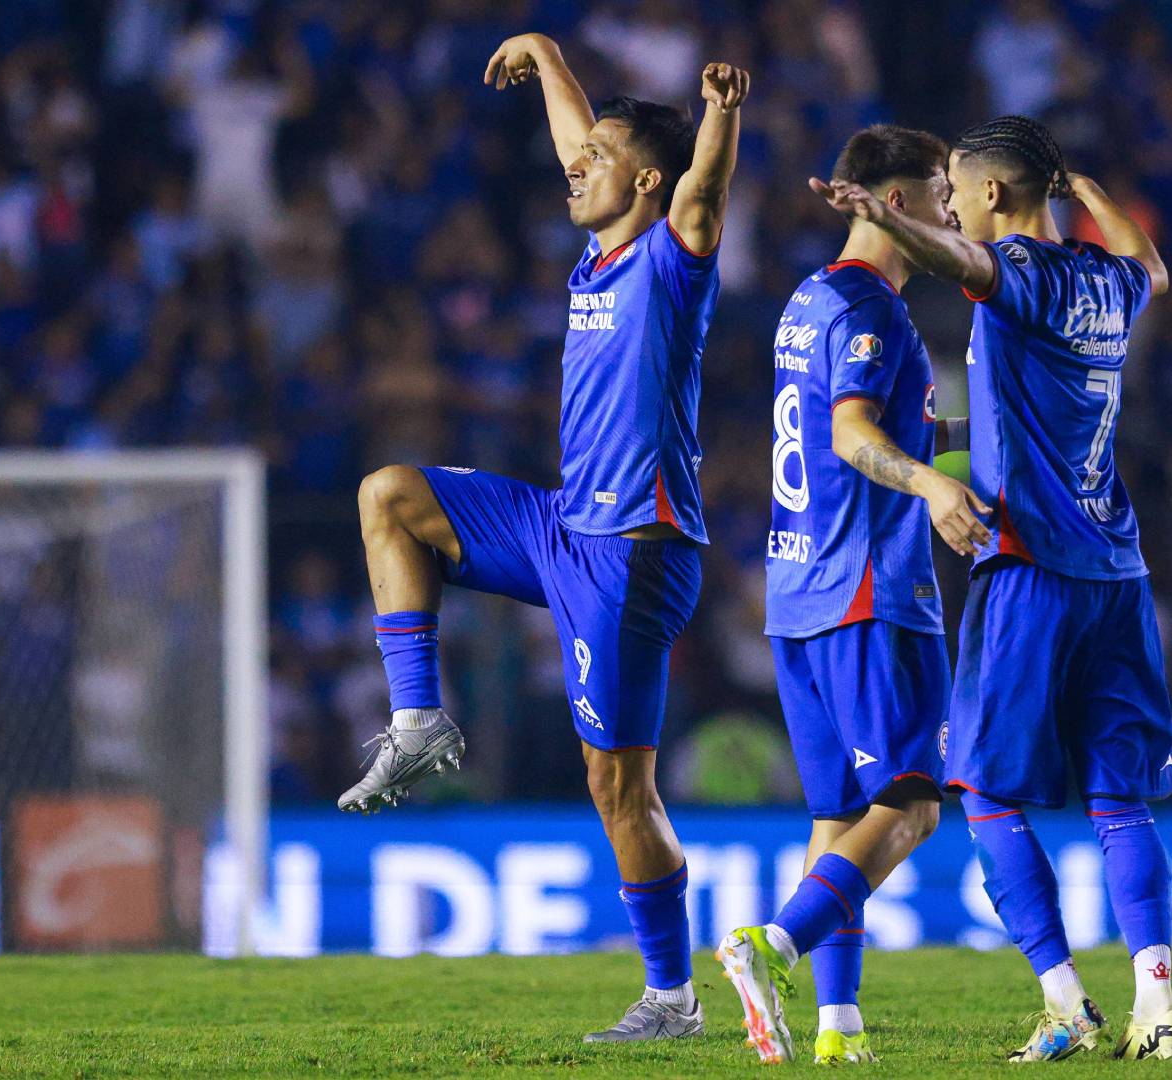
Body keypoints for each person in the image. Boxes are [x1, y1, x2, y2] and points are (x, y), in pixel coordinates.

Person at [340, 32, 746, 1043]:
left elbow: (699, 191)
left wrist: (723, 116)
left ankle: (672, 999)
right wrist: (548, 56)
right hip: (565, 523)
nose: (574, 168)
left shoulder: (669, 258)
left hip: (635, 551)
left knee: (618, 785)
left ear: (646, 180)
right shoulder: (602, 246)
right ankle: (418, 721)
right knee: (390, 495)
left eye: (600, 162)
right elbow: (583, 143)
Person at [812, 115, 1172, 1061]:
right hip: (1118, 571)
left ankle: (1066, 1002)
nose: (952, 207)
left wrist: (883, 220)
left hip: (1029, 571)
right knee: (1119, 801)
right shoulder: (1110, 282)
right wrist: (1089, 191)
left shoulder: (1018, 276)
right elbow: (1154, 266)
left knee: (981, 789)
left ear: (990, 196)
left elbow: (958, 264)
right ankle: (1158, 1007)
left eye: (959, 193)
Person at [715, 125, 986, 1065]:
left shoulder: (810, 298)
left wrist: (975, 449)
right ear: (900, 202)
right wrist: (933, 483)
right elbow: (851, 434)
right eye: (944, 195)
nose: (956, 212)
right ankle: (773, 945)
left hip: (798, 595)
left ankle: (837, 1028)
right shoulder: (874, 311)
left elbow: (892, 426)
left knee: (839, 821)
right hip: (868, 591)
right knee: (910, 804)